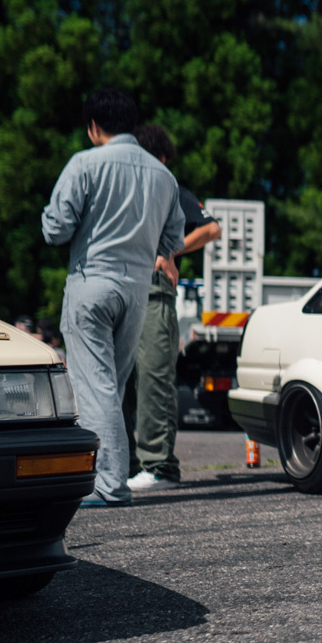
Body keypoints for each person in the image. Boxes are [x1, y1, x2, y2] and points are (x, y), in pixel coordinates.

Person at [41, 89, 183, 508]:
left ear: (93, 127)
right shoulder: (163, 176)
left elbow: (56, 229)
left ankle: (109, 485)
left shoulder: (84, 163)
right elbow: (172, 238)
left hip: (92, 282)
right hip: (137, 289)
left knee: (95, 386)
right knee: (112, 386)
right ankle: (107, 477)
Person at [125, 122, 222, 492]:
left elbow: (211, 229)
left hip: (153, 289)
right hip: (123, 285)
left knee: (153, 379)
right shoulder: (127, 187)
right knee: (120, 383)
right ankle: (128, 463)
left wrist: (169, 250)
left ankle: (160, 466)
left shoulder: (168, 185)